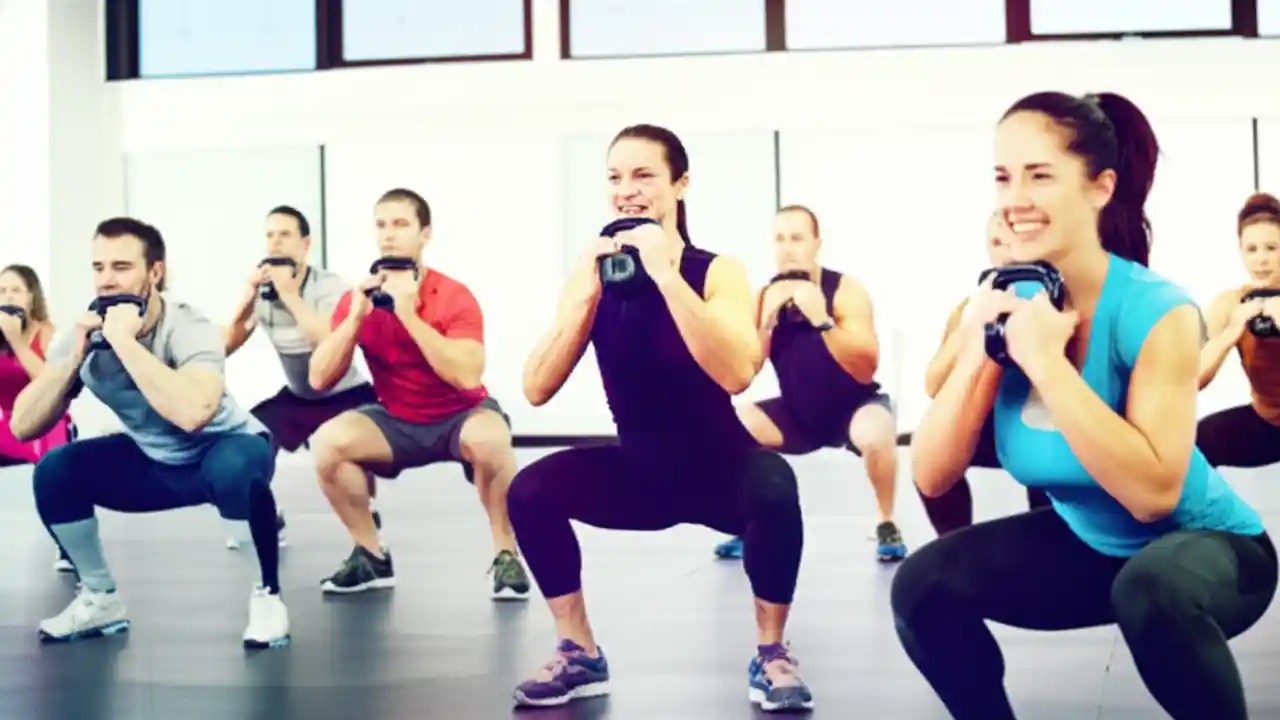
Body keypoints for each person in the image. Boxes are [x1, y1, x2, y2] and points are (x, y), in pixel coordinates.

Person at [890, 92, 1276, 720]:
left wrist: (1045, 361)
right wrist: (985, 347)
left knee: (1151, 589)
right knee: (922, 585)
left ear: (1100, 188)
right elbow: (932, 473)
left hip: (1211, 551)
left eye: (1040, 175)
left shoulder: (1157, 311)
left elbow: (1153, 494)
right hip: (1094, 548)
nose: (1014, 198)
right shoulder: (999, 304)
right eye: (1003, 176)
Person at [509, 124, 813, 712]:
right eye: (615, 177)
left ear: (681, 184)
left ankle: (771, 654)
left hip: (721, 469)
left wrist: (667, 275)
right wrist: (587, 295)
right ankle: (579, 652)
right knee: (530, 490)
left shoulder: (715, 270)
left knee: (775, 486)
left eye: (644, 175)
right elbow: (536, 387)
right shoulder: (593, 276)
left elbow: (737, 372)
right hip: (641, 473)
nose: (627, 190)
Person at [10, 218, 289, 648]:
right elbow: (23, 424)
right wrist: (70, 365)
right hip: (153, 462)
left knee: (238, 469)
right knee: (55, 470)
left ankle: (268, 597)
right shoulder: (83, 333)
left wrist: (125, 342)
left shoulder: (189, 326)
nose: (106, 280)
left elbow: (194, 413)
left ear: (154, 272)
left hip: (223, 450)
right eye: (98, 267)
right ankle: (100, 598)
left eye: (121, 267)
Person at [307, 188, 529, 600]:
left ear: (425, 234)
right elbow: (320, 377)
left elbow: (467, 376)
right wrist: (355, 317)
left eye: (401, 224)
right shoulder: (358, 300)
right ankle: (370, 554)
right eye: (381, 224)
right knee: (327, 444)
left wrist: (407, 312)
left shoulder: (453, 295)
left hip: (461, 415)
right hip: (397, 420)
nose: (389, 234)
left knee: (491, 439)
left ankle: (506, 555)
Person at [712, 204, 906, 563]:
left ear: (817, 243)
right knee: (727, 425)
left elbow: (866, 367)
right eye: (780, 239)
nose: (787, 247)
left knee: (877, 435)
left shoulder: (845, 291)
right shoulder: (763, 296)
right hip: (797, 414)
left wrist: (823, 320)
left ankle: (886, 522)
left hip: (854, 408)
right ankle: (744, 523)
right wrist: (765, 327)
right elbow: (746, 371)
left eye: (797, 238)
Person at [223, 206, 381, 549]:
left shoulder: (329, 287)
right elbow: (225, 345)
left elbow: (327, 339)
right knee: (254, 440)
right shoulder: (264, 291)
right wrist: (246, 300)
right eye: (269, 235)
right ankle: (266, 515)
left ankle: (367, 521)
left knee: (352, 455)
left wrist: (291, 295)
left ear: (305, 244)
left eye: (285, 235)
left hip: (344, 392)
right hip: (299, 397)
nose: (275, 243)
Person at [915, 213, 1051, 537]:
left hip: (1045, 423)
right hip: (990, 425)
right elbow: (934, 384)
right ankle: (953, 543)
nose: (1004, 230)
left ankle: (1054, 548)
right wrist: (971, 325)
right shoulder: (969, 306)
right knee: (933, 447)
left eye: (1013, 227)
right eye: (997, 229)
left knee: (1048, 460)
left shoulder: (1060, 296)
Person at [1195, 192, 1280, 470]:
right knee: (1197, 440)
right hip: (1267, 424)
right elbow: (1192, 379)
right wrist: (1231, 331)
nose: (1261, 260)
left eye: (1272, 248)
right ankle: (1210, 514)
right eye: (1251, 249)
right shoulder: (1230, 303)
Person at [0, 264, 75, 571]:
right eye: (2, 291)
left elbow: (52, 384)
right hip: (8, 422)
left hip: (47, 418)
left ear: (31, 296)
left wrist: (17, 341)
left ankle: (69, 544)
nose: (8, 296)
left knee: (53, 469)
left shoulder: (48, 334)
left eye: (15, 290)